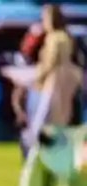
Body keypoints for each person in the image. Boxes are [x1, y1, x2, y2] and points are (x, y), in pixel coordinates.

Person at [32, 4, 84, 132]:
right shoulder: (67, 36)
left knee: (43, 113)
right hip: (70, 78)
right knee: (63, 114)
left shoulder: (54, 38)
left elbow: (51, 61)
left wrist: (39, 77)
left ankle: (34, 143)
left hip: (55, 80)